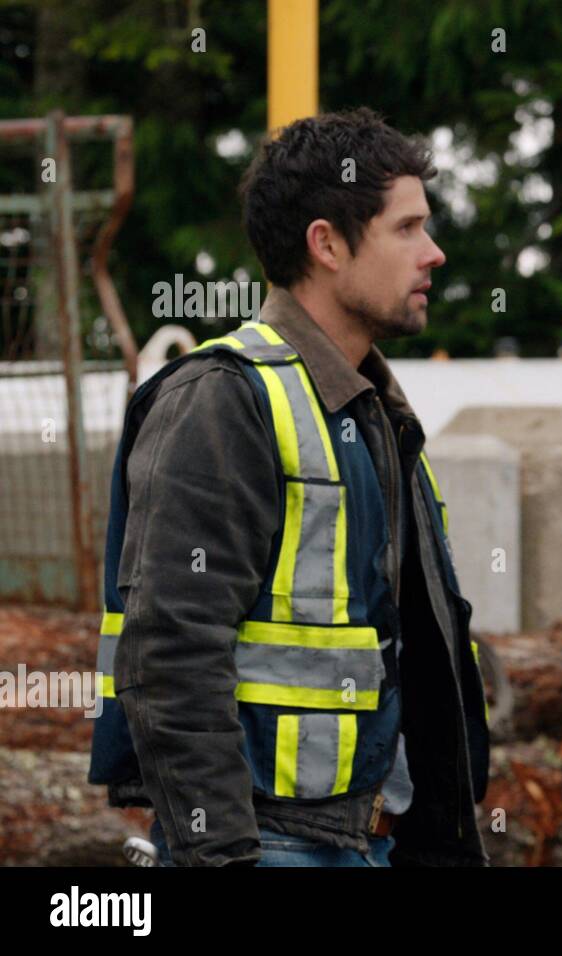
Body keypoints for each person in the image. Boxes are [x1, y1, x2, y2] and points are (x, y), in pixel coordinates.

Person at [88, 108, 491, 867]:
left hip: (371, 842)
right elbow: (170, 655)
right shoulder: (222, 400)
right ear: (327, 244)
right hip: (271, 845)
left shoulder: (375, 412)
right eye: (407, 228)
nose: (433, 253)